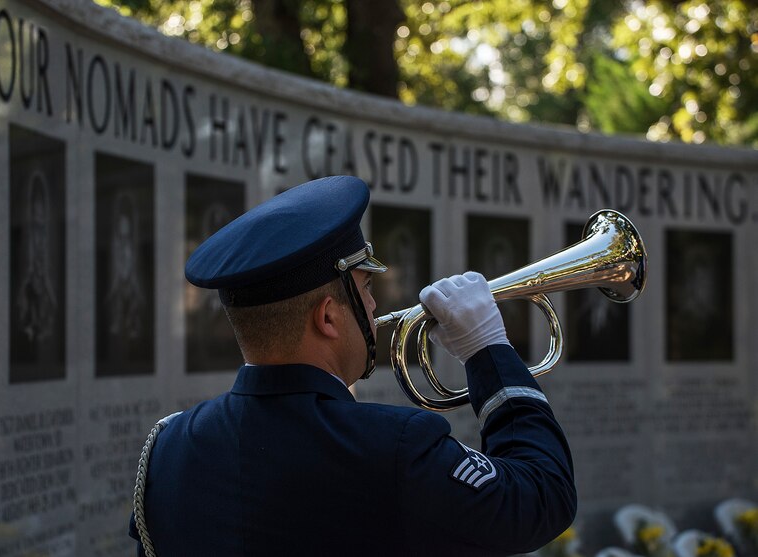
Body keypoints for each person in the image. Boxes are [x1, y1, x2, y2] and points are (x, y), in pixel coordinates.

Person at [128, 175, 576, 556]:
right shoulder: (395, 447)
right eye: (364, 288)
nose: (376, 304)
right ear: (327, 316)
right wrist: (487, 349)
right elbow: (542, 495)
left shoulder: (167, 449)